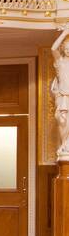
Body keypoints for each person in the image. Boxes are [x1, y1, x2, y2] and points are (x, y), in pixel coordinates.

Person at [51, 26, 69, 159]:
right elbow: (53, 48)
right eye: (66, 48)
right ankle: (64, 144)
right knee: (62, 121)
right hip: (63, 96)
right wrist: (65, 33)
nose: (68, 50)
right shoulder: (60, 62)